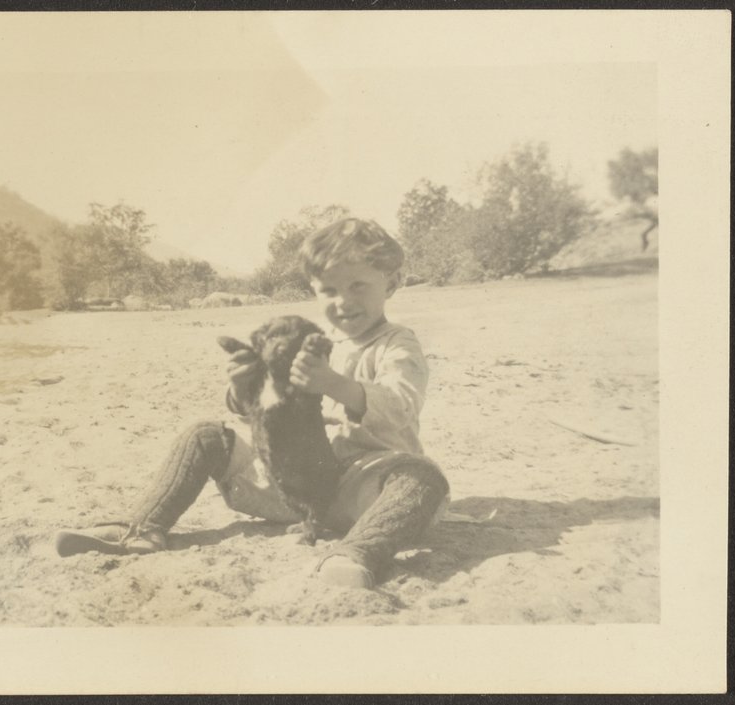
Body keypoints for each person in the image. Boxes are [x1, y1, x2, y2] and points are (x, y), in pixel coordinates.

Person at [55, 218, 449, 589]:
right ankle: (141, 527)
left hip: (360, 489)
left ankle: (358, 552)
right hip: (291, 485)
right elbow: (267, 417)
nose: (343, 301)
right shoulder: (307, 339)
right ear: (313, 288)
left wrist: (333, 384)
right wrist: (244, 390)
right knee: (205, 435)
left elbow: (401, 405)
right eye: (329, 290)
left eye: (358, 286)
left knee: (422, 478)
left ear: (393, 282)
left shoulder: (397, 344)